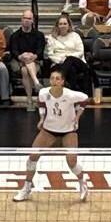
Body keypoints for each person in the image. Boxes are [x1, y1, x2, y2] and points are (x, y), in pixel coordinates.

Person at [14, 69, 89, 202]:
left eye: (57, 79)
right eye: (52, 78)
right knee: (32, 157)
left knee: (71, 161)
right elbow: (41, 105)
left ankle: (83, 183)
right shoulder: (44, 93)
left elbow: (85, 99)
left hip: (68, 131)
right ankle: (27, 187)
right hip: (49, 130)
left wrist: (77, 116)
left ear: (62, 82)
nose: (54, 81)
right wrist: (42, 118)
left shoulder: (70, 95)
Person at [9, 10, 46, 111]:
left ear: (32, 20)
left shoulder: (39, 35)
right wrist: (22, 56)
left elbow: (40, 51)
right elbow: (14, 51)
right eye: (25, 18)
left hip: (35, 62)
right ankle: (36, 82)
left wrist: (32, 56)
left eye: (29, 18)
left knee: (25, 71)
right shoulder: (15, 35)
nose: (26, 20)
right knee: (24, 66)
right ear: (21, 20)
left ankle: (29, 101)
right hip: (17, 62)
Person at [46, 14, 91, 94]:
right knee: (71, 70)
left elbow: (80, 51)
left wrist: (68, 58)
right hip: (58, 62)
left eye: (65, 24)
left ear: (69, 25)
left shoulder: (75, 36)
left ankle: (61, 81)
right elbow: (50, 54)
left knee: (70, 59)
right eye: (60, 24)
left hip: (77, 61)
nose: (63, 26)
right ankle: (72, 94)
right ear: (57, 26)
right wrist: (62, 60)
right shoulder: (51, 38)